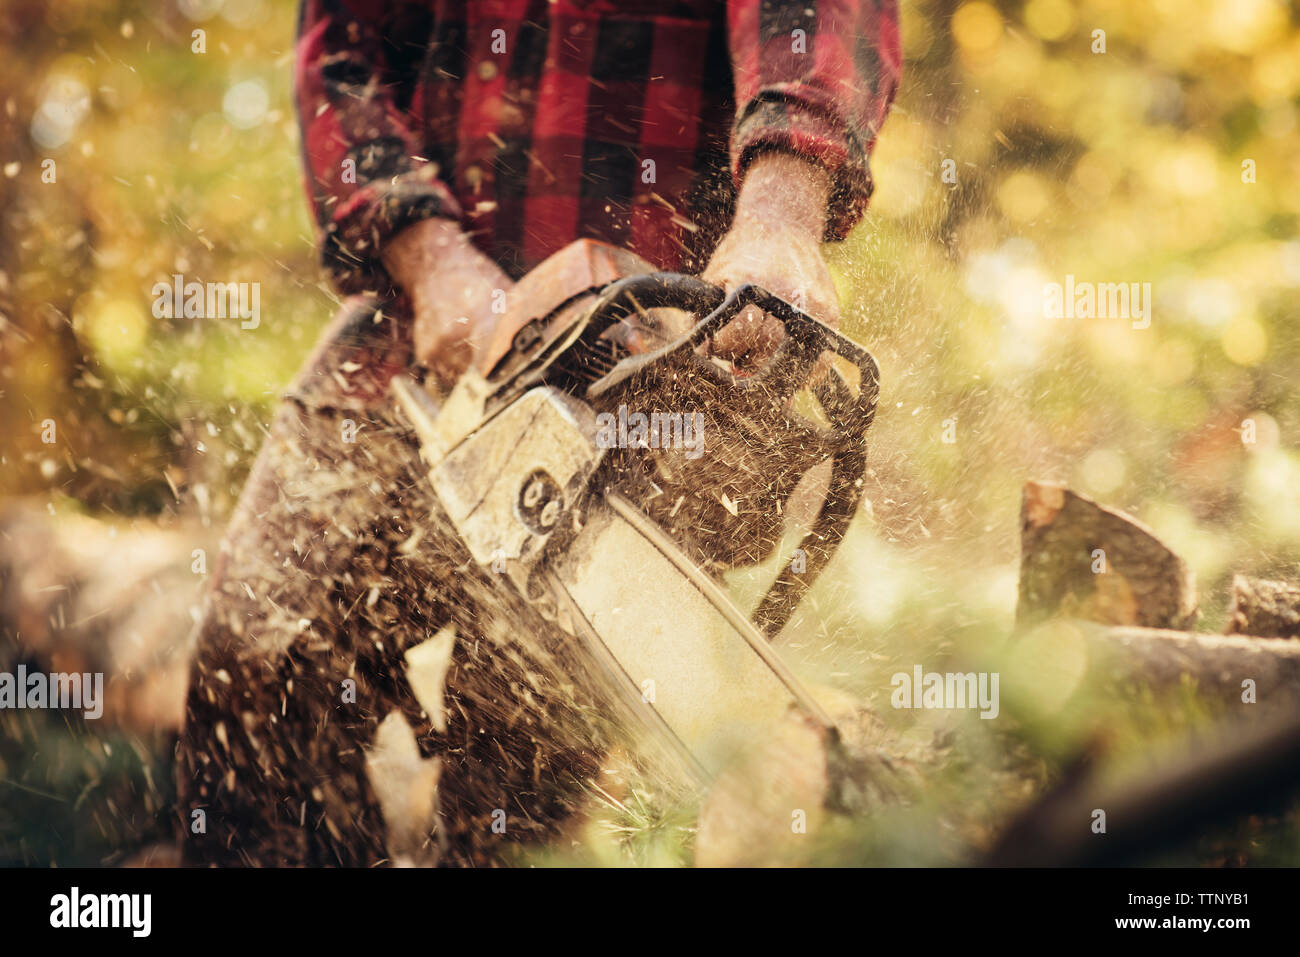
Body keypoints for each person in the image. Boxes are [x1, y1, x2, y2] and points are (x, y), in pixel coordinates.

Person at [177, 0, 900, 866]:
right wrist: (426, 251)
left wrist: (782, 211)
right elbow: (342, 53)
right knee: (254, 669)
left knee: (519, 784)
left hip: (646, 348)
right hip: (414, 335)